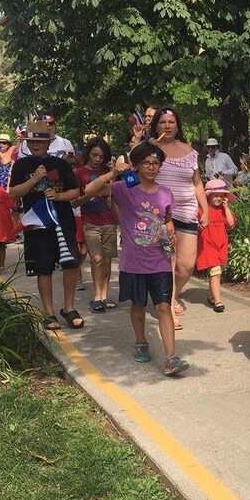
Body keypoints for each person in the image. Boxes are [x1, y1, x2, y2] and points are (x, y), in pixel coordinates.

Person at [82, 141, 189, 376]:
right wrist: (113, 172)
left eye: (156, 163)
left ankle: (171, 358)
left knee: (163, 307)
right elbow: (90, 190)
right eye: (146, 163)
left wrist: (170, 233)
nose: (151, 167)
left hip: (160, 261)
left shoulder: (165, 193)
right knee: (138, 305)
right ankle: (141, 340)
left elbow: (167, 218)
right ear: (137, 166)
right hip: (134, 262)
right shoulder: (123, 188)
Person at [8, 120, 83, 330]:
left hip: (62, 220)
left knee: (71, 263)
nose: (36, 145)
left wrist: (58, 196)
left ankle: (69, 307)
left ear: (49, 143)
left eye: (40, 141)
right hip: (37, 223)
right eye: (32, 141)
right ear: (27, 143)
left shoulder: (61, 164)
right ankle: (49, 313)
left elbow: (76, 192)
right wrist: (34, 179)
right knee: (44, 267)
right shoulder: (21, 165)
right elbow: (13, 193)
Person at [150, 106, 209, 329]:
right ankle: (167, 306)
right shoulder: (152, 151)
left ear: (177, 125)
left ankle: (172, 295)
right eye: (163, 122)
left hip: (188, 213)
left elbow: (196, 182)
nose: (167, 126)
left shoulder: (190, 152)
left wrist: (206, 209)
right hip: (162, 216)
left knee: (186, 266)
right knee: (169, 262)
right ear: (156, 125)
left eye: (171, 122)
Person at [74, 138, 119, 312]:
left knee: (107, 260)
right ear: (88, 154)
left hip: (109, 220)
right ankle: (97, 295)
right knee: (96, 259)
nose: (97, 159)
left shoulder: (108, 172)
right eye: (94, 155)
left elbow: (114, 194)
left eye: (101, 156)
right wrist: (89, 193)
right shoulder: (79, 174)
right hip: (90, 221)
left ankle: (105, 295)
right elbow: (74, 202)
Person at [196, 179, 237, 312]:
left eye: (221, 196)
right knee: (215, 271)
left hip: (221, 245)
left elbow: (231, 224)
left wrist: (226, 208)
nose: (218, 198)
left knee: (216, 273)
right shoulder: (202, 210)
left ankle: (211, 296)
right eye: (215, 195)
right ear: (208, 196)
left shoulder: (222, 211)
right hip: (208, 245)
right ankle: (218, 301)